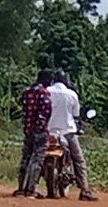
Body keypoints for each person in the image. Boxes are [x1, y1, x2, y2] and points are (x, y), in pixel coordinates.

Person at [40, 69, 96, 200]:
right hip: (67, 132)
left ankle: (29, 186)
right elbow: (76, 115)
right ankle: (84, 190)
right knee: (79, 160)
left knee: (35, 156)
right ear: (66, 81)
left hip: (48, 132)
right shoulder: (72, 95)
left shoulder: (46, 91)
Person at [13, 70, 54, 196]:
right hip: (40, 131)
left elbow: (25, 111)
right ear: (45, 79)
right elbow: (45, 113)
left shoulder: (27, 92)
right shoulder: (44, 93)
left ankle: (21, 187)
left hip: (28, 129)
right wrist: (42, 128)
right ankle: (31, 189)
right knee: (37, 159)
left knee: (26, 158)